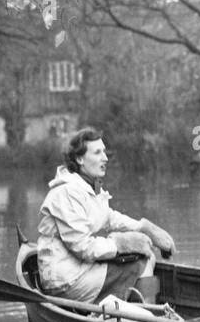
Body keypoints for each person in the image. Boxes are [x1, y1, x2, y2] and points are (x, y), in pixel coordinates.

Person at [37, 128, 176, 305]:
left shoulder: (88, 186)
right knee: (143, 261)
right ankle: (147, 315)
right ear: (80, 159)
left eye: (104, 151)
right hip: (64, 281)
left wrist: (143, 228)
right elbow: (83, 247)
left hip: (79, 270)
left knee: (144, 257)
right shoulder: (67, 192)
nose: (105, 158)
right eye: (97, 152)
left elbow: (109, 217)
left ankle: (137, 311)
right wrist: (121, 244)